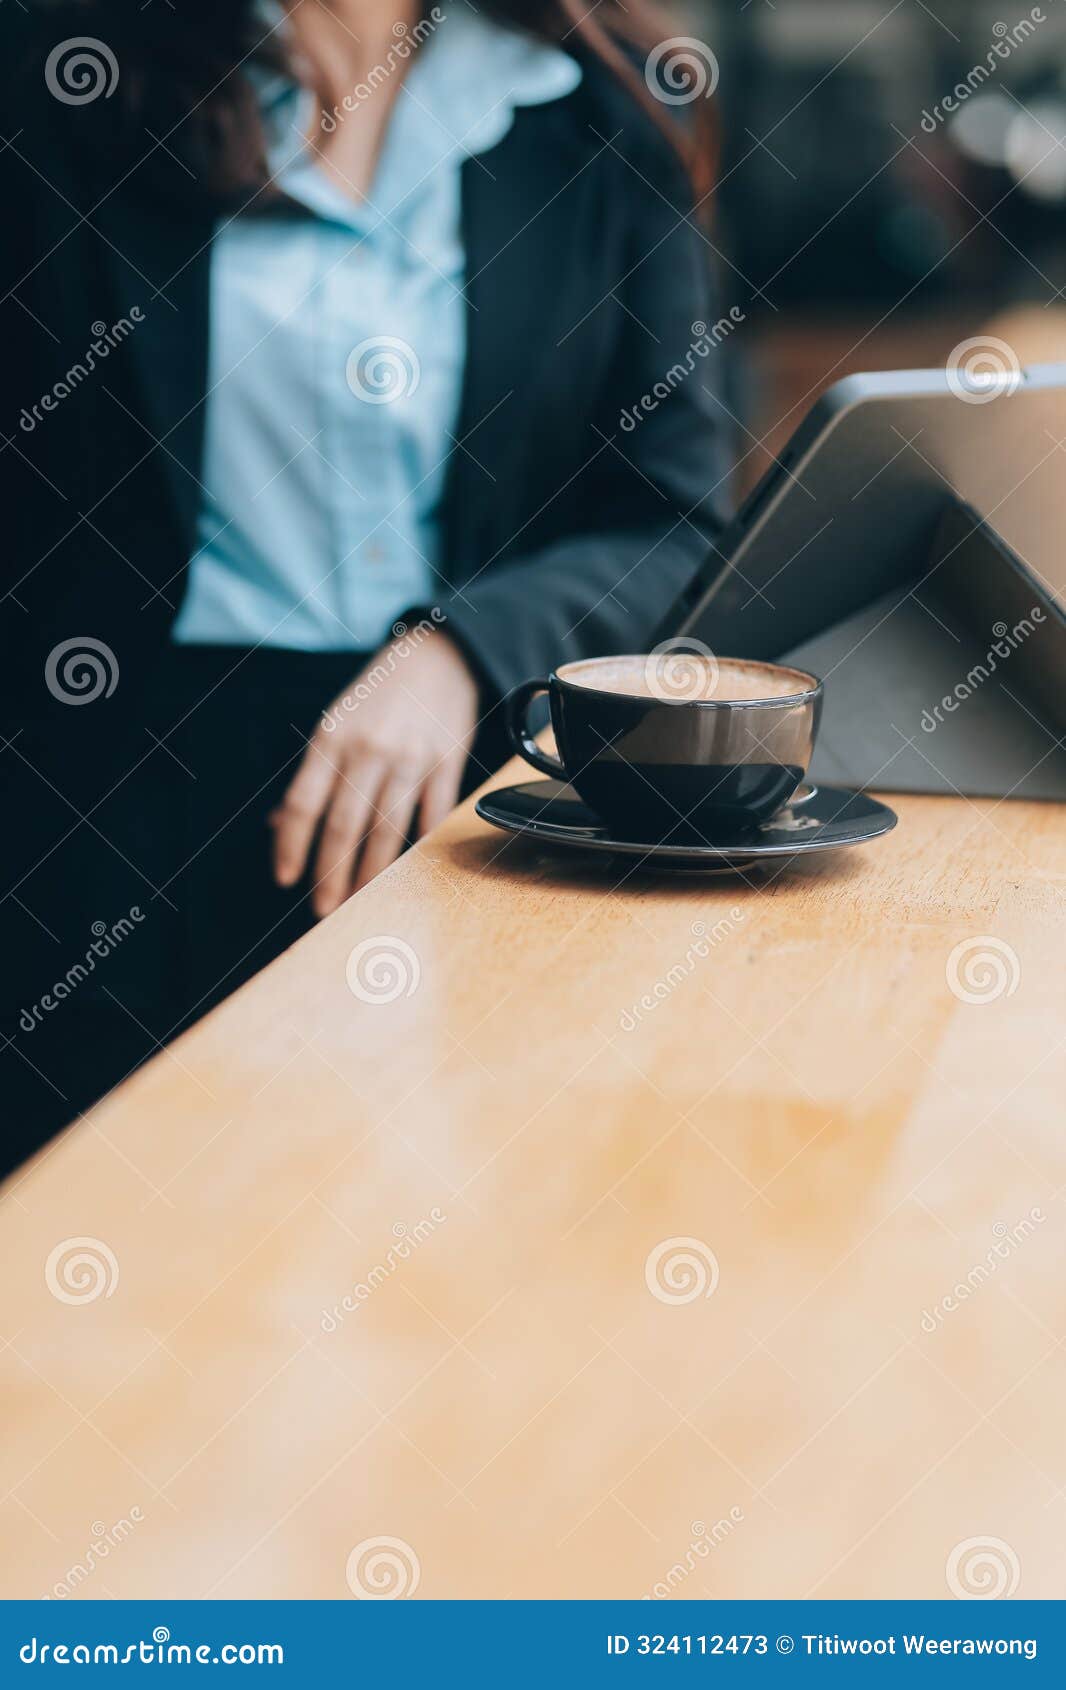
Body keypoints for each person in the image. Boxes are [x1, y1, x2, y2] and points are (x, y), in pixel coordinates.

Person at [0, 0, 732, 1170]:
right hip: (110, 845)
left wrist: (460, 650)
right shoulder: (68, 74)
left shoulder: (600, 97)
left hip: (474, 814)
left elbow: (673, 519)